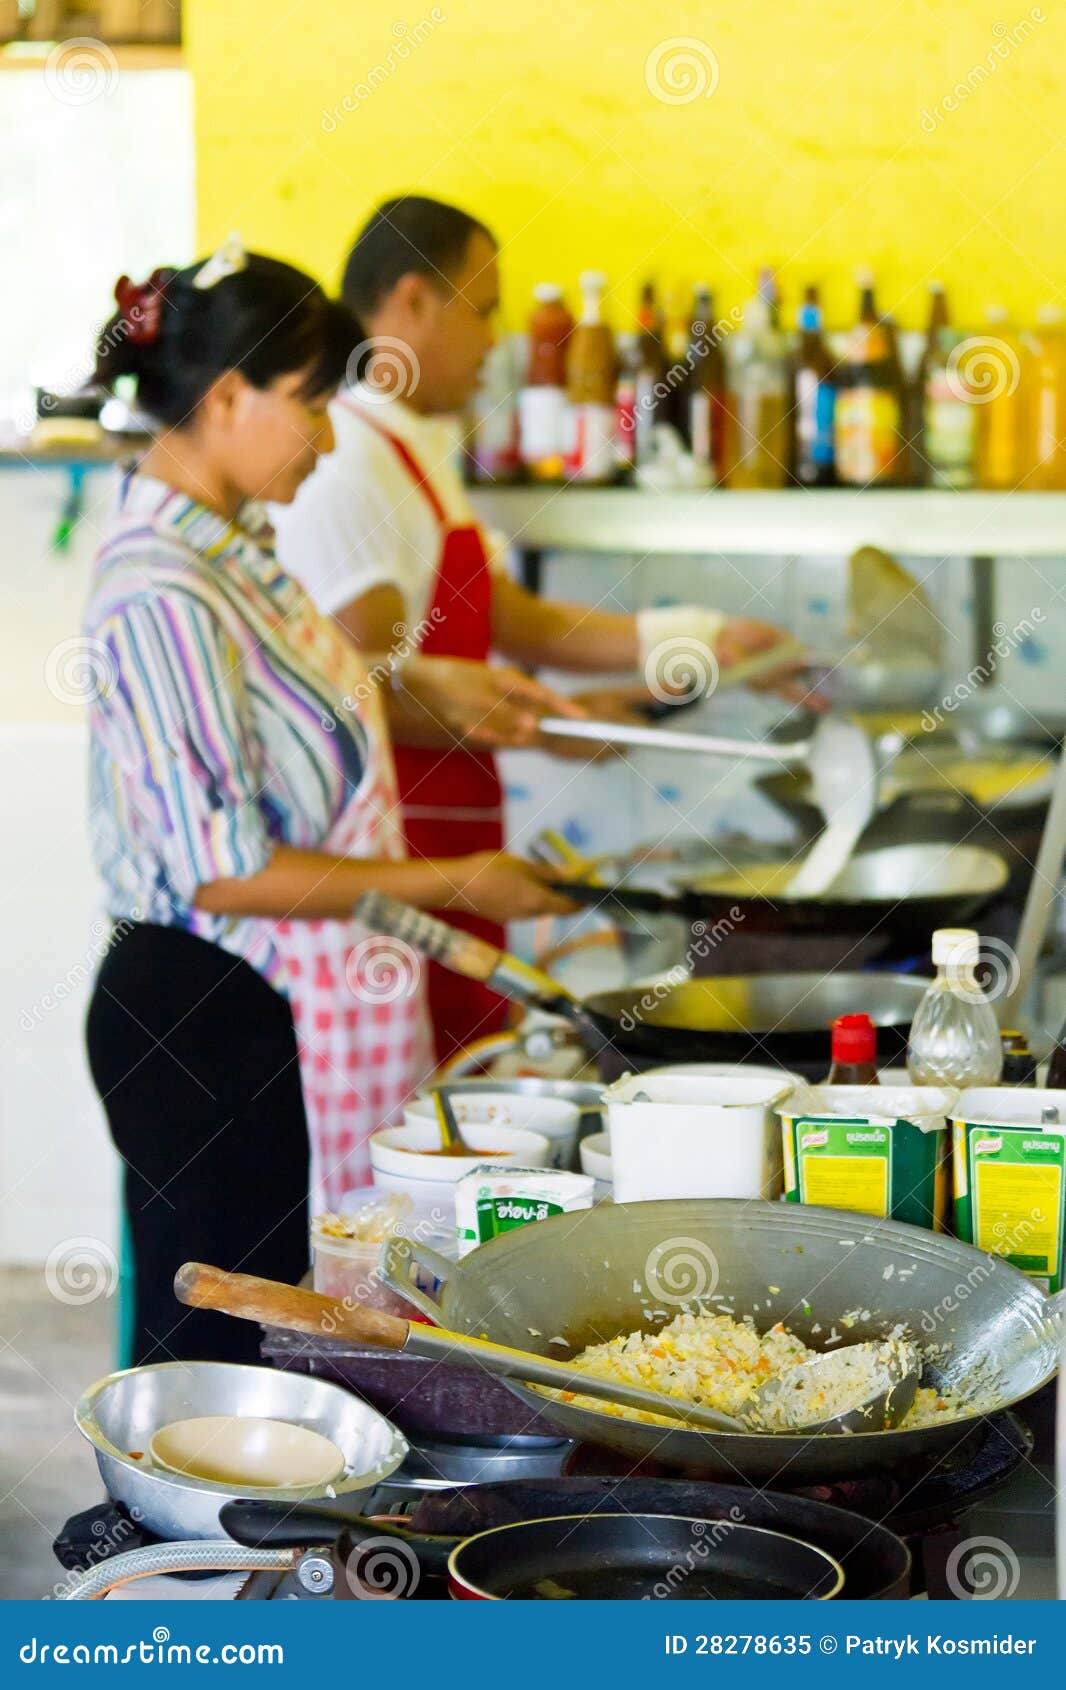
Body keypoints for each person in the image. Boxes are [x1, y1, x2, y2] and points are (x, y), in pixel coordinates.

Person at [83, 242, 574, 1366]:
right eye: (311, 402)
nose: (330, 433)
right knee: (224, 1360)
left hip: (270, 1005)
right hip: (206, 1015)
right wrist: (456, 884)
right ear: (223, 398)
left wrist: (426, 692)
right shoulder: (161, 586)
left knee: (299, 1335)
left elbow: (290, 714)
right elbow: (221, 866)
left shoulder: (235, 547)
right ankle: (191, 1547)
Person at [273, 196, 799, 1062]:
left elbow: (511, 622)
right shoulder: (353, 466)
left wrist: (700, 641)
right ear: (412, 302)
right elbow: (362, 700)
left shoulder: (414, 449)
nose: (495, 343)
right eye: (482, 312)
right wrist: (552, 724)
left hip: (456, 844)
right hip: (403, 860)